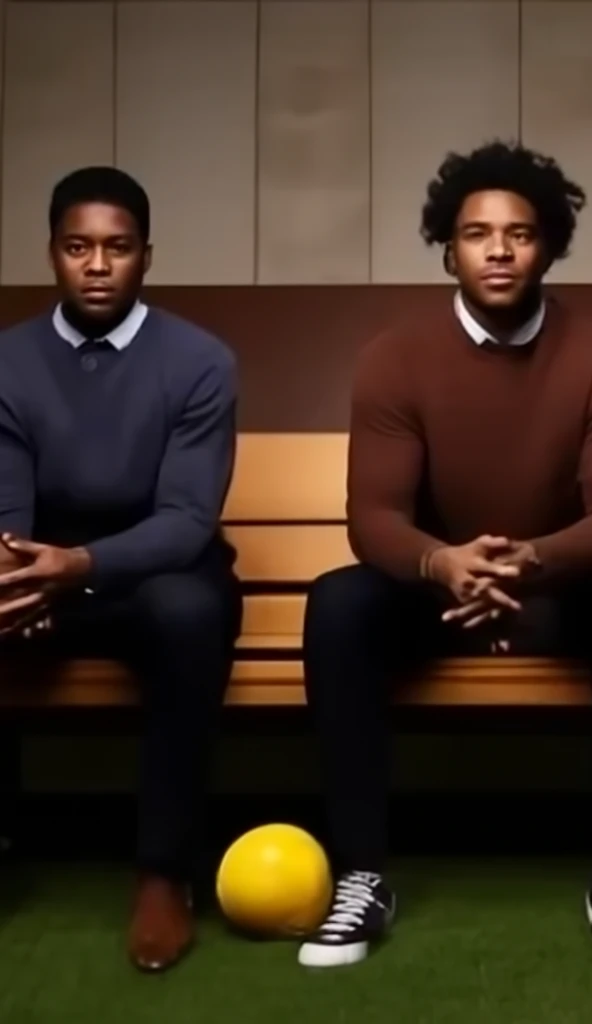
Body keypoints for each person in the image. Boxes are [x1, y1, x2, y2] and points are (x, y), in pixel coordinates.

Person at [300, 141, 592, 971]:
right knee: (339, 601)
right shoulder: (395, 356)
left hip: (555, 590)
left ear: (549, 246)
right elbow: (374, 518)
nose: (499, 250)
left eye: (520, 233)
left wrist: (523, 563)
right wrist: (444, 565)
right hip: (434, 593)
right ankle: (361, 874)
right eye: (477, 234)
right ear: (449, 247)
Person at [0, 166, 241, 972]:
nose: (97, 265)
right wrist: (20, 572)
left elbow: (184, 521)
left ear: (146, 257)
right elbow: (6, 501)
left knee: (189, 612)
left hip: (157, 576)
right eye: (78, 248)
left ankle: (163, 874)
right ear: (53, 256)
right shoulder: (10, 361)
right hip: (44, 567)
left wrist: (77, 566)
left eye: (117, 248)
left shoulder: (201, 361)